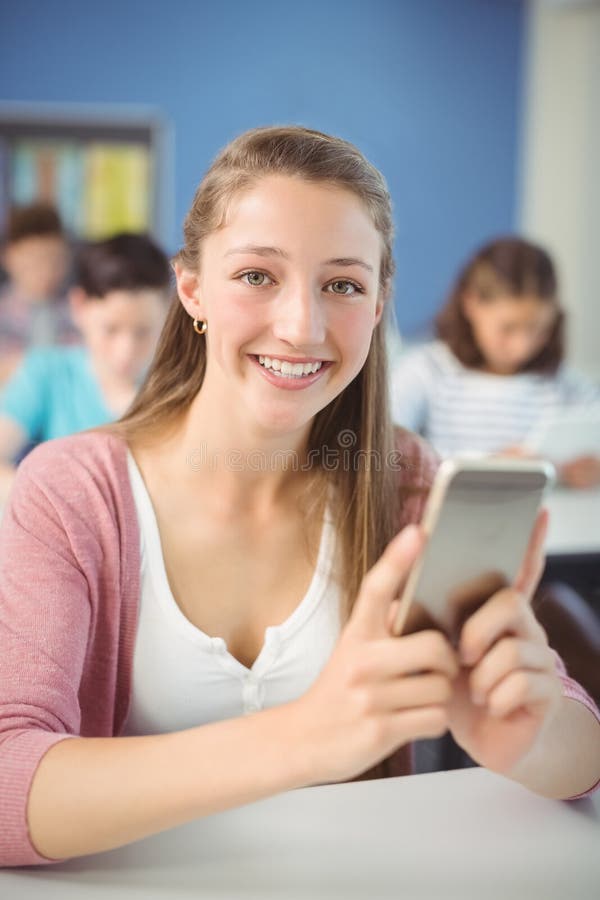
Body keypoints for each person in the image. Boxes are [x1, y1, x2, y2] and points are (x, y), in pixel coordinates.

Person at [0, 128, 598, 868]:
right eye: (257, 275)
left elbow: (582, 754)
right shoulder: (72, 492)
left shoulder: (408, 481)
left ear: (378, 305)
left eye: (343, 285)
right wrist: (304, 737)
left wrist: (533, 736)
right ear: (191, 288)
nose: (301, 327)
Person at [390, 237, 600, 488]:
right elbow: (383, 450)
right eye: (508, 328)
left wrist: (577, 469)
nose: (522, 347)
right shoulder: (425, 371)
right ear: (471, 303)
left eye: (538, 328)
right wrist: (490, 465)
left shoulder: (565, 385)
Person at [0, 232, 171, 506]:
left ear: (167, 313)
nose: (125, 351)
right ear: (79, 307)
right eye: (110, 329)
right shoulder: (47, 373)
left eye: (143, 331)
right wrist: (57, 500)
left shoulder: (177, 388)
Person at [0, 203, 79, 383]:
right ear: (8, 257)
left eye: (55, 260)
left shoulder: (81, 310)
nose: (45, 272)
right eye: (34, 261)